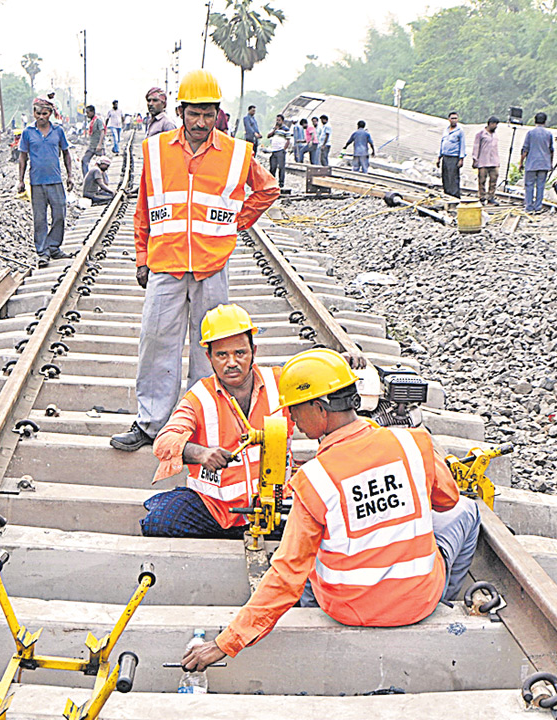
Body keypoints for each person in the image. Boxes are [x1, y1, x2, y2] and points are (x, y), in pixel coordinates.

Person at [181, 349, 482, 672]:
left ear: (319, 409)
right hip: (419, 603)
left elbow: (287, 575)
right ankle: (445, 596)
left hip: (348, 609)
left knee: (314, 549)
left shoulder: (314, 479)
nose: (292, 420)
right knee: (467, 509)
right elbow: (447, 500)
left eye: (295, 409)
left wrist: (224, 643)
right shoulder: (414, 443)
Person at [110, 69, 281, 452]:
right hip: (165, 264)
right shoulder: (155, 151)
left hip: (212, 266)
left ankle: (203, 424)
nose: (200, 123)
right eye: (194, 114)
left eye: (208, 114)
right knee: (156, 343)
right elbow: (143, 210)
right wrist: (142, 256)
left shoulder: (237, 153)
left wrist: (236, 224)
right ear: (182, 111)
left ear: (217, 113)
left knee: (214, 348)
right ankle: (153, 423)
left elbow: (268, 189)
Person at [142, 304, 294, 538]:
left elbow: (317, 381)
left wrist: (341, 362)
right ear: (209, 357)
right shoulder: (200, 397)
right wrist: (201, 454)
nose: (232, 362)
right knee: (159, 522)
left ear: (254, 350)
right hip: (215, 510)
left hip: (274, 506)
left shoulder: (279, 382)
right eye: (222, 355)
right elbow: (164, 441)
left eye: (240, 353)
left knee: (321, 521)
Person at [18, 97, 73, 267]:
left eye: (44, 113)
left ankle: (54, 246)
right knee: (39, 219)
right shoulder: (27, 133)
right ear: (34, 113)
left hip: (55, 180)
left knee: (59, 215)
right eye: (38, 113)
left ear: (50, 114)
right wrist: (20, 180)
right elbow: (22, 157)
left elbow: (66, 153)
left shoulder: (58, 131)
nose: (41, 116)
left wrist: (70, 175)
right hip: (37, 182)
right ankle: (42, 252)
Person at [520, 112, 554, 213]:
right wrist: (551, 163)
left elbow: (525, 149)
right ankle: (538, 206)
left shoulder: (530, 133)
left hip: (531, 163)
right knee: (540, 185)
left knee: (529, 185)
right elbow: (551, 150)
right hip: (544, 163)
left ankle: (529, 207)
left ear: (535, 121)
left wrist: (521, 162)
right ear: (545, 121)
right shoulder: (549, 134)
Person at [471, 116, 500, 205]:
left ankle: (491, 197)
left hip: (494, 161)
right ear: (490, 124)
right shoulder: (480, 134)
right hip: (483, 161)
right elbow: (476, 147)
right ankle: (482, 197)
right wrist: (475, 159)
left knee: (493, 180)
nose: (495, 127)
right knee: (482, 180)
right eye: (494, 124)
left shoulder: (495, 135)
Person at [437, 111, 464, 198]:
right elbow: (442, 143)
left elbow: (462, 145)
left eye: (455, 118)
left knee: (453, 176)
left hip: (454, 157)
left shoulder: (460, 131)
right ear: (449, 119)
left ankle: (455, 195)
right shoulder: (446, 130)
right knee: (445, 176)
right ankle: (447, 193)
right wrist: (439, 157)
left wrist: (461, 158)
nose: (454, 120)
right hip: (445, 156)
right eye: (452, 118)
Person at [266, 115, 291, 187]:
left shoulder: (286, 129)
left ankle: (281, 183)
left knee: (281, 167)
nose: (277, 121)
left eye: (279, 120)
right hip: (274, 150)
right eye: (277, 120)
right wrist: (274, 130)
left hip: (280, 150)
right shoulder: (274, 129)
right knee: (272, 167)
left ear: (282, 121)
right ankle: (271, 182)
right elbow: (268, 136)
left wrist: (284, 149)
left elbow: (288, 140)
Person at [82, 104, 105, 178]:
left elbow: (102, 132)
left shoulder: (98, 120)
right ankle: (87, 179)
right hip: (92, 146)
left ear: (92, 112)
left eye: (88, 113)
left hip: (98, 146)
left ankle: (105, 182)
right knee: (84, 161)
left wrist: (100, 144)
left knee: (102, 165)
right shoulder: (91, 121)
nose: (87, 114)